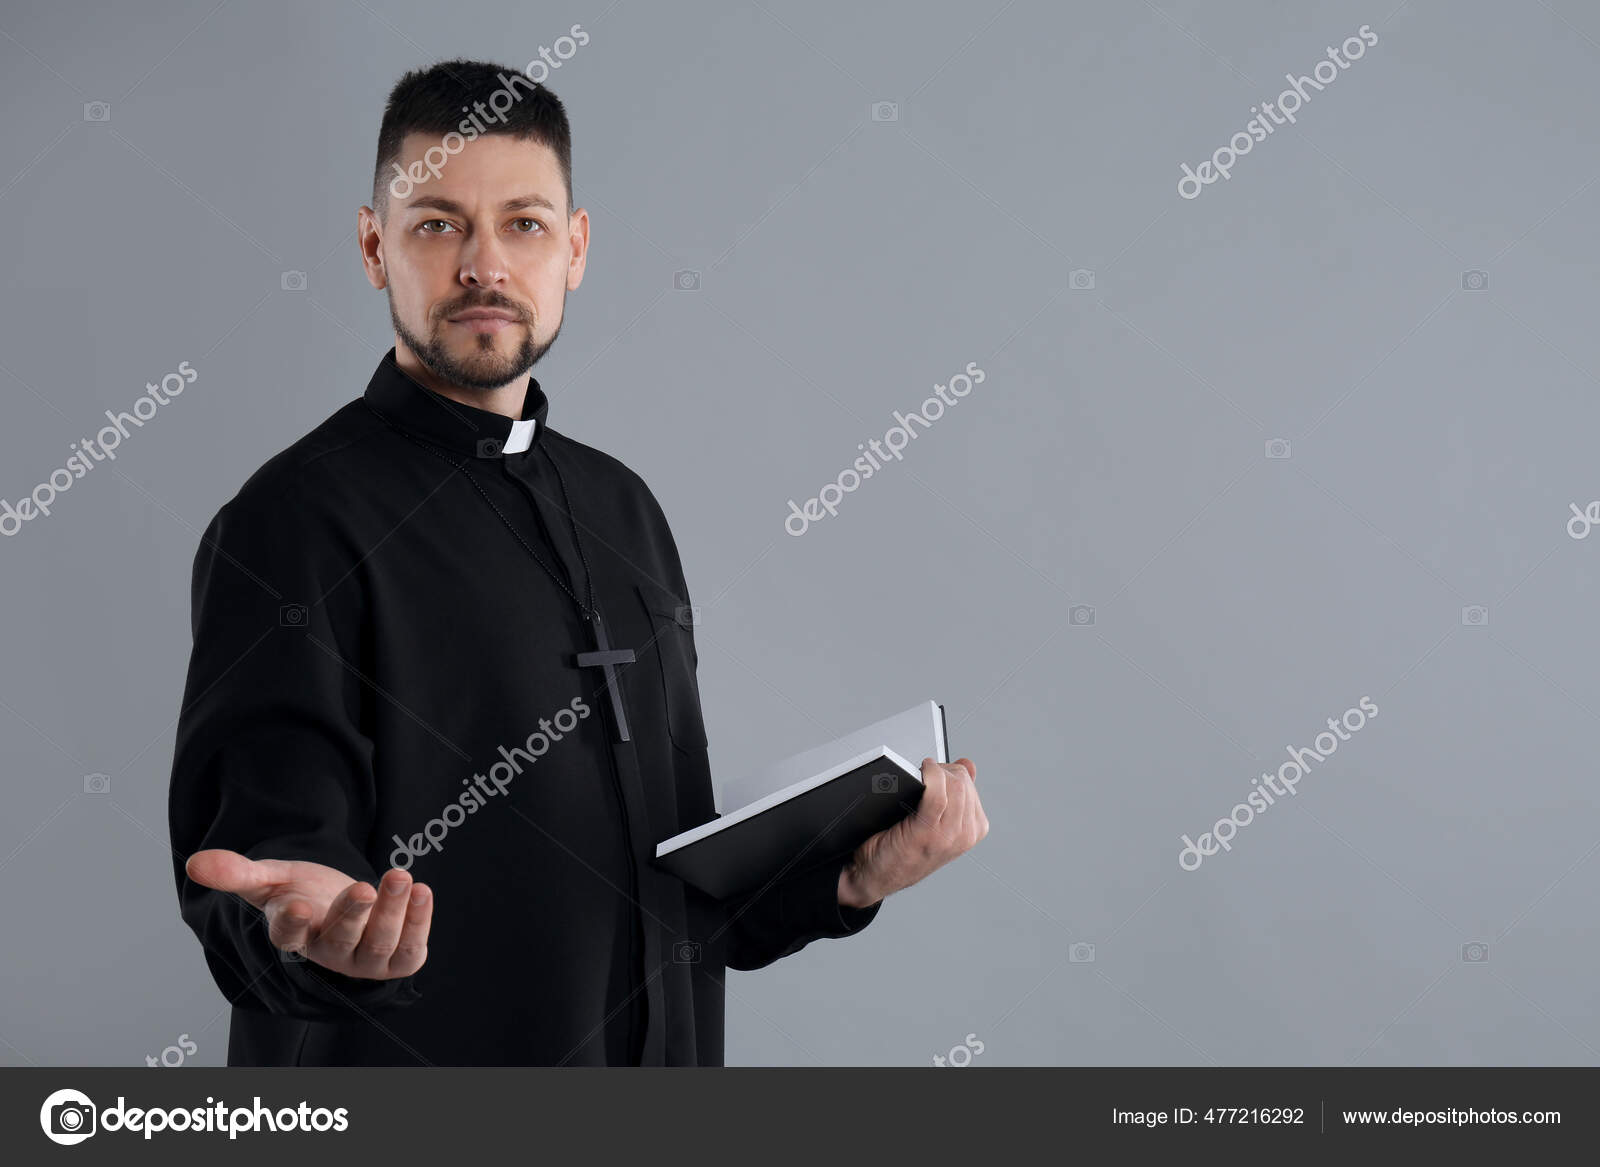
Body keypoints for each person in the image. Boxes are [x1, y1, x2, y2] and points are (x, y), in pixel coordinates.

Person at [168, 59, 988, 1066]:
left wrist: (854, 875)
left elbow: (677, 901)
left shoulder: (622, 508)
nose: (483, 266)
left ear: (575, 248)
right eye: (436, 224)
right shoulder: (291, 518)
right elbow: (273, 853)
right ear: (375, 246)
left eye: (523, 223)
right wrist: (312, 932)